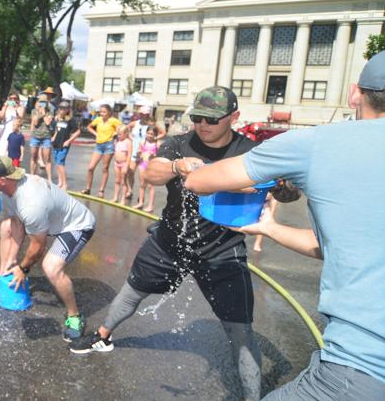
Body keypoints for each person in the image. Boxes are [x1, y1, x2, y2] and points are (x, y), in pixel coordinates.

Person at [69, 87, 298, 401]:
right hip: (169, 242)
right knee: (132, 292)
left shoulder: (250, 151)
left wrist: (280, 185)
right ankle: (102, 335)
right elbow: (151, 173)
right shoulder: (179, 143)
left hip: (222, 250)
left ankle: (252, 396)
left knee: (240, 330)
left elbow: (290, 192)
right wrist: (177, 167)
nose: (202, 125)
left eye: (212, 119)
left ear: (234, 117)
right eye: (198, 118)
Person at [184, 54, 385, 400]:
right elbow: (339, 248)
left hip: (361, 368)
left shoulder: (318, 142)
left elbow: (199, 182)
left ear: (355, 93)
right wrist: (270, 227)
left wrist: (193, 170)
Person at [0, 157, 95, 342]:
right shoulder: (7, 190)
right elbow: (17, 224)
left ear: (2, 180)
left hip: (76, 226)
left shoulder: (31, 203)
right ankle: (3, 277)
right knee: (6, 227)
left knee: (51, 267)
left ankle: (75, 316)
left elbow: (38, 246)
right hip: (48, 221)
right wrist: (11, 263)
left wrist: (23, 269)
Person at [81, 104, 121, 197]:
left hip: (109, 145)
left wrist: (115, 133)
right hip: (98, 146)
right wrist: (96, 134)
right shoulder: (98, 119)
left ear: (109, 112)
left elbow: (123, 129)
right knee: (90, 168)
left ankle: (101, 190)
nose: (102, 113)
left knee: (105, 168)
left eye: (104, 112)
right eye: (101, 112)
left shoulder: (114, 121)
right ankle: (88, 189)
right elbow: (89, 127)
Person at [126, 110, 156, 200]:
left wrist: (155, 139)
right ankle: (130, 191)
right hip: (135, 150)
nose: (143, 115)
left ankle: (141, 195)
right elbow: (126, 129)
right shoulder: (135, 123)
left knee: (143, 176)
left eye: (145, 114)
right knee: (130, 172)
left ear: (148, 115)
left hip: (145, 152)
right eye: (141, 114)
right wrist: (129, 137)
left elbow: (162, 132)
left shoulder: (150, 124)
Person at [51, 101, 80, 190]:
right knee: (57, 163)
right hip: (56, 143)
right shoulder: (57, 118)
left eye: (64, 109)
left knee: (60, 163)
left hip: (64, 144)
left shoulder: (70, 120)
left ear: (67, 110)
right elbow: (56, 130)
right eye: (60, 108)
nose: (62, 110)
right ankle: (60, 182)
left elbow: (78, 132)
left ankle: (65, 184)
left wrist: (69, 141)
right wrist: (53, 137)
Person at [132, 126, 159, 212]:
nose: (150, 135)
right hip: (142, 165)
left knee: (151, 186)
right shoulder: (142, 142)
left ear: (155, 135)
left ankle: (150, 205)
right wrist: (139, 153)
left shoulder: (157, 144)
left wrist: (154, 155)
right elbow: (139, 153)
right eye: (148, 133)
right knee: (142, 184)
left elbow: (160, 156)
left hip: (152, 166)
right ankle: (140, 202)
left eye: (152, 134)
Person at [29, 94, 54, 179]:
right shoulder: (34, 111)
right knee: (34, 157)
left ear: (47, 103)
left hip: (46, 137)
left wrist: (44, 113)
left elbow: (47, 122)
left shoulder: (50, 110)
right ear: (38, 102)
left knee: (47, 159)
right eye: (41, 102)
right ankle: (32, 176)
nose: (42, 104)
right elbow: (35, 122)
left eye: (44, 102)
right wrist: (41, 113)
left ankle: (49, 179)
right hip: (35, 136)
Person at [0, 93, 24, 158]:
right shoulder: (5, 107)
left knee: (14, 152)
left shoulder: (20, 108)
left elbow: (20, 118)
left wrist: (15, 108)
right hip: (5, 131)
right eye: (11, 98)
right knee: (2, 152)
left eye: (15, 98)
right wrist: (5, 106)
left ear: (18, 99)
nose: (13, 100)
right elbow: (1, 117)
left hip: (15, 132)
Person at [111, 125, 133, 204]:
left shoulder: (128, 142)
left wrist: (127, 165)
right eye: (118, 134)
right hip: (117, 163)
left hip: (124, 164)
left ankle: (123, 199)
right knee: (117, 181)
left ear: (126, 134)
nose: (118, 136)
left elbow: (129, 154)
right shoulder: (117, 141)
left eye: (120, 134)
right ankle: (115, 197)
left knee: (123, 182)